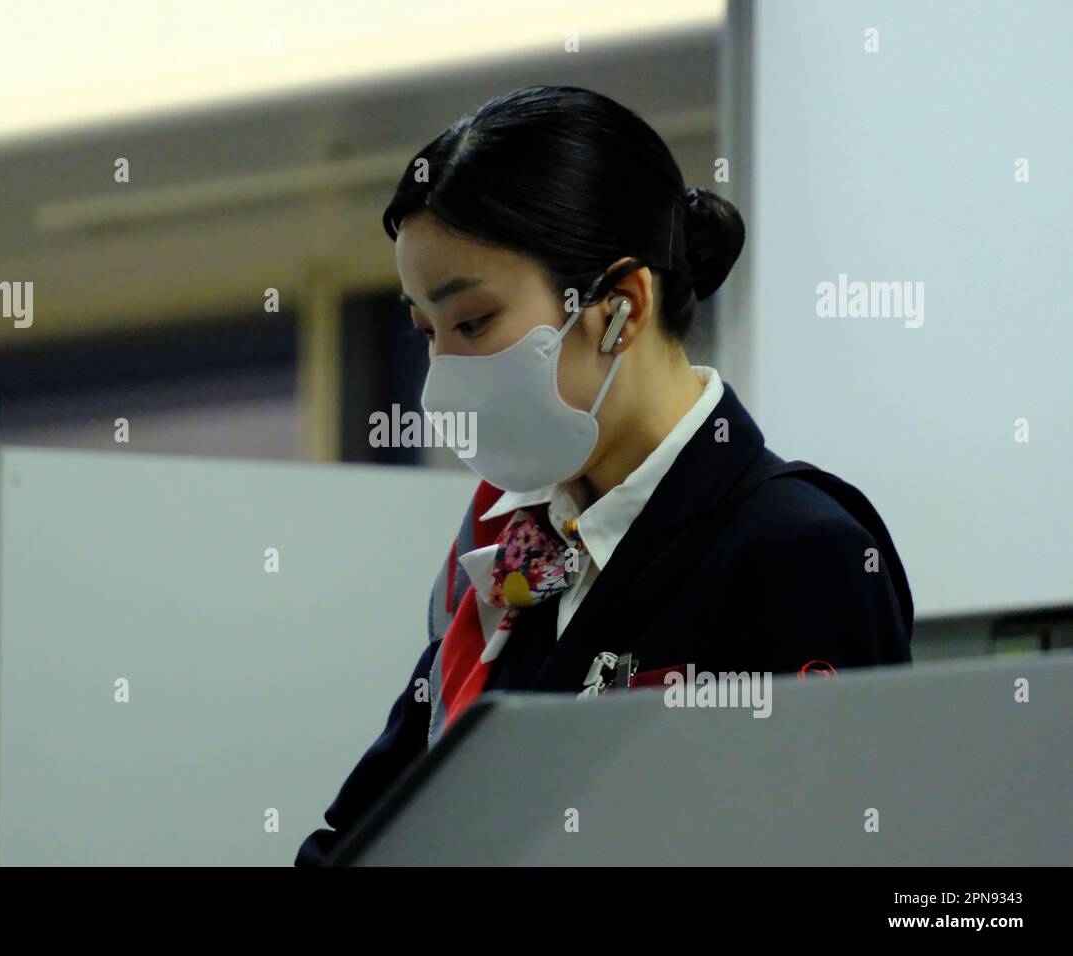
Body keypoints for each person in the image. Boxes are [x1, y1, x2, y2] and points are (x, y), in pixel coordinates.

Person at [295, 85, 912, 867]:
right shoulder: (508, 561)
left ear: (619, 306)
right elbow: (367, 839)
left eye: (474, 322)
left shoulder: (798, 551)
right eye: (426, 331)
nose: (441, 376)